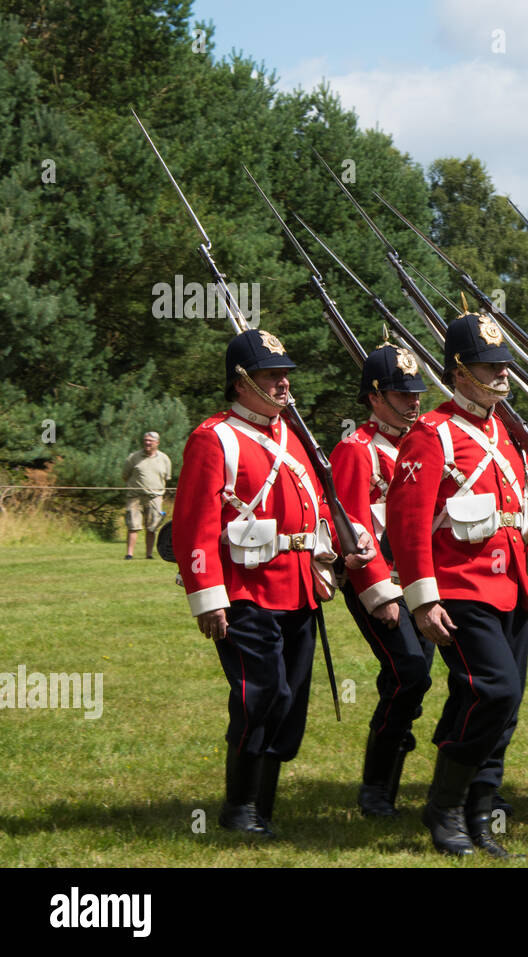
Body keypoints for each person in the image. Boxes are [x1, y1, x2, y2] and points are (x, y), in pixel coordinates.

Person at [172, 329, 376, 837]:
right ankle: (239, 807)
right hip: (244, 591)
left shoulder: (293, 437)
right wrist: (207, 598)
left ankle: (263, 806)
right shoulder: (213, 437)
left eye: (285, 374)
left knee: (291, 704)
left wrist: (337, 548)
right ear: (241, 382)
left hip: (300, 587)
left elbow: (314, 505)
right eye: (271, 375)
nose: (284, 383)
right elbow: (195, 524)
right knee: (262, 696)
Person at [386, 312, 528, 858]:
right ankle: (444, 807)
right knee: (493, 690)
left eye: (504, 365)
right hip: (459, 585)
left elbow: (518, 511)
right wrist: (423, 598)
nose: (502, 374)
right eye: (488, 365)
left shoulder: (506, 431)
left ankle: (478, 813)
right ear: (459, 370)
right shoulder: (432, 434)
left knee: (505, 703)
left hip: (512, 586)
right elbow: (407, 524)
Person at [330, 341, 436, 820]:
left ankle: (393, 779)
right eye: (401, 393)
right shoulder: (356, 450)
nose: (413, 401)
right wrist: (378, 593)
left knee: (417, 680)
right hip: (383, 585)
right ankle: (376, 787)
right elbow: (351, 525)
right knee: (407, 673)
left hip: (421, 582)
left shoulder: (425, 443)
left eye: (416, 392)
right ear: (375, 397)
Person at [122, 431, 172, 559]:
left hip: (155, 497)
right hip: (135, 497)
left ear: (157, 443)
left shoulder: (164, 458)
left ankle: (149, 554)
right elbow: (125, 475)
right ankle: (129, 554)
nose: (147, 443)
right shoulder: (133, 457)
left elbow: (166, 478)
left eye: (150, 440)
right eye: (145, 440)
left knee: (152, 527)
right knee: (133, 525)